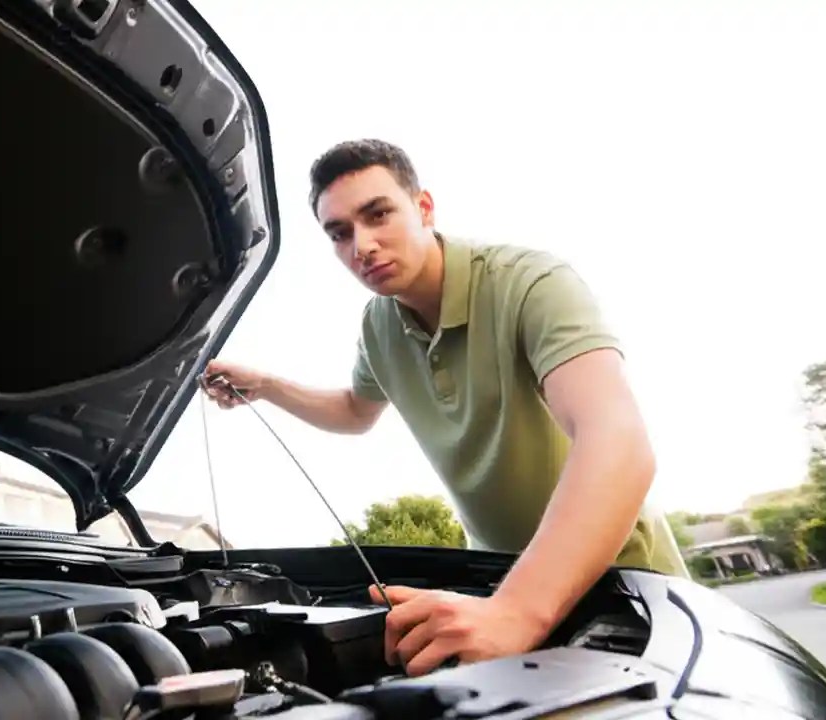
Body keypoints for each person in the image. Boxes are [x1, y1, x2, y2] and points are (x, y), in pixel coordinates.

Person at [203, 138, 687, 677]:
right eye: (339, 233)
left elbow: (617, 441)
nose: (361, 246)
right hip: (496, 592)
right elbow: (354, 411)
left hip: (628, 595)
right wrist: (266, 385)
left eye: (378, 214)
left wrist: (518, 611)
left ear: (424, 207)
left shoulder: (531, 284)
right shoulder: (377, 325)